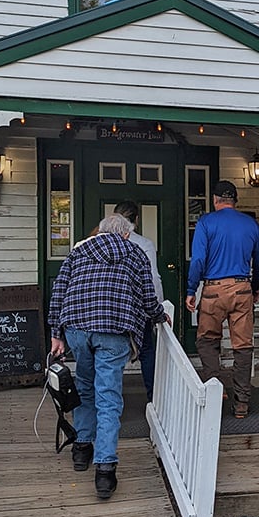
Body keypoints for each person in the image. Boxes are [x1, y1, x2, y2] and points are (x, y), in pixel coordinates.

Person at [48, 213, 168, 500]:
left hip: (77, 327)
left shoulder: (79, 251)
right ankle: (104, 470)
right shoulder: (134, 251)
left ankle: (81, 450)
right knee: (109, 397)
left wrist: (56, 333)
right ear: (126, 234)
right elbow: (147, 294)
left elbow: (58, 292)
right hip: (113, 328)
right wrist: (159, 315)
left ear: (99, 232)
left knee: (85, 387)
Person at [185, 180, 259, 418]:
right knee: (243, 346)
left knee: (207, 341)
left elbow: (198, 260)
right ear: (235, 200)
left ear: (215, 199)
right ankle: (242, 403)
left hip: (213, 290)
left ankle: (214, 386)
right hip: (242, 288)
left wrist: (191, 289)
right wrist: (254, 287)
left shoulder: (206, 222)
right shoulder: (250, 224)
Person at [113, 200, 164, 402]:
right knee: (147, 351)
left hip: (111, 310)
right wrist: (156, 308)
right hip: (137, 310)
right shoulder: (143, 244)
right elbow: (152, 279)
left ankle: (111, 401)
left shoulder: (97, 242)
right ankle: (153, 398)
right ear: (136, 220)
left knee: (111, 357)